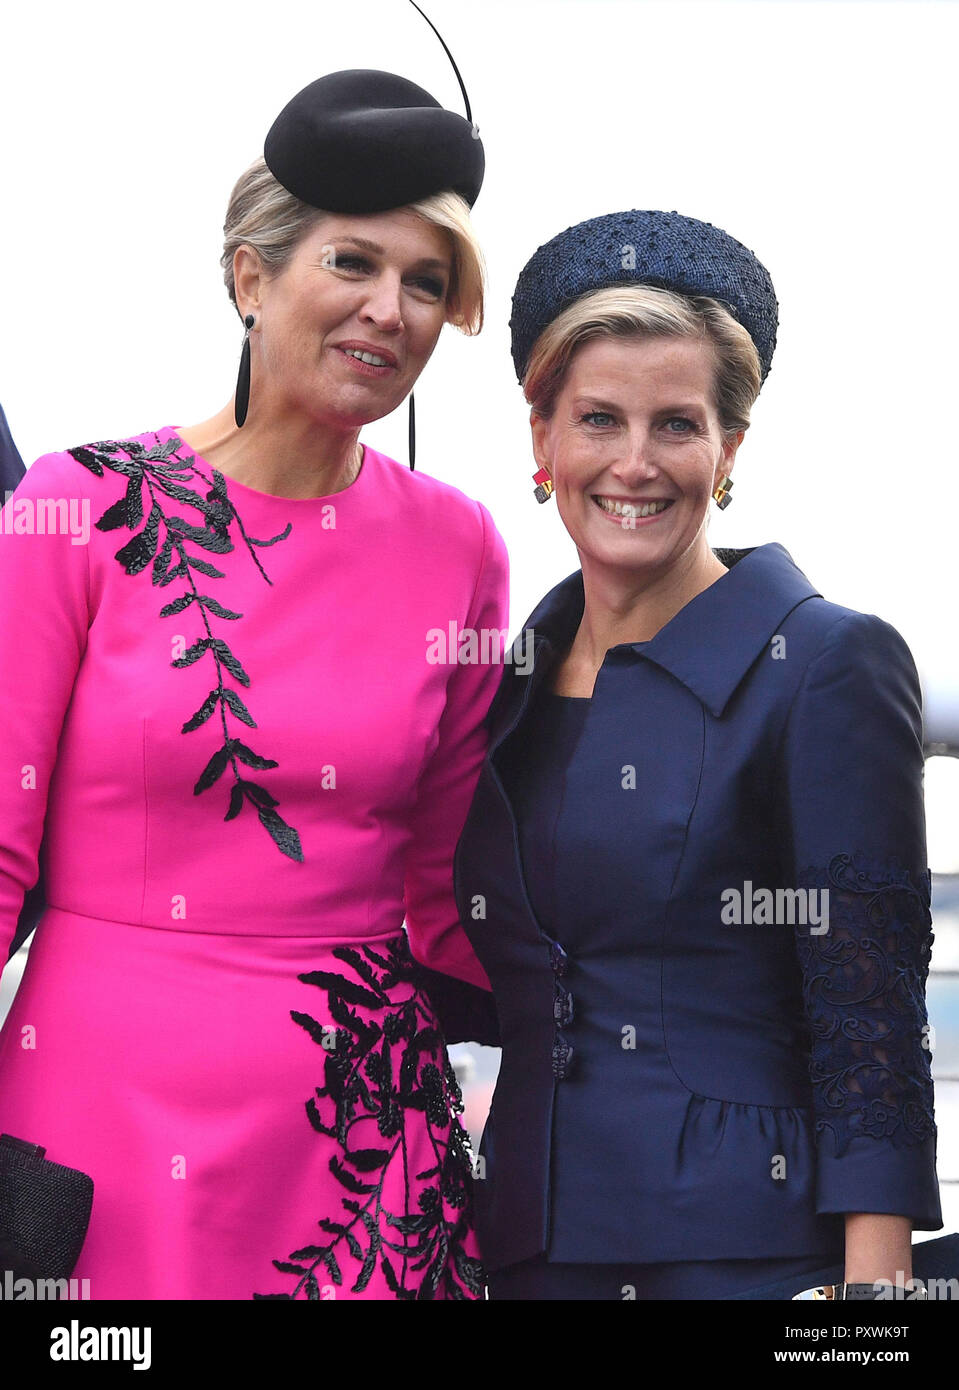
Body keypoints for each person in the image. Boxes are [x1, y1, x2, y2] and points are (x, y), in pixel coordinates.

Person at [0, 69, 507, 1300]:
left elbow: (448, 885)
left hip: (360, 1126)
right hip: (95, 1114)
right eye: (351, 263)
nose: (390, 310)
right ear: (247, 278)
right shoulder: (73, 506)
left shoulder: (464, 547)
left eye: (426, 282)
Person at [453, 209, 941, 1299]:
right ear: (541, 440)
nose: (633, 463)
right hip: (525, 1246)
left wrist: (871, 1305)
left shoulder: (822, 661)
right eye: (596, 419)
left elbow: (869, 1021)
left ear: (728, 450)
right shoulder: (506, 679)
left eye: (674, 424)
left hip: (745, 1256)